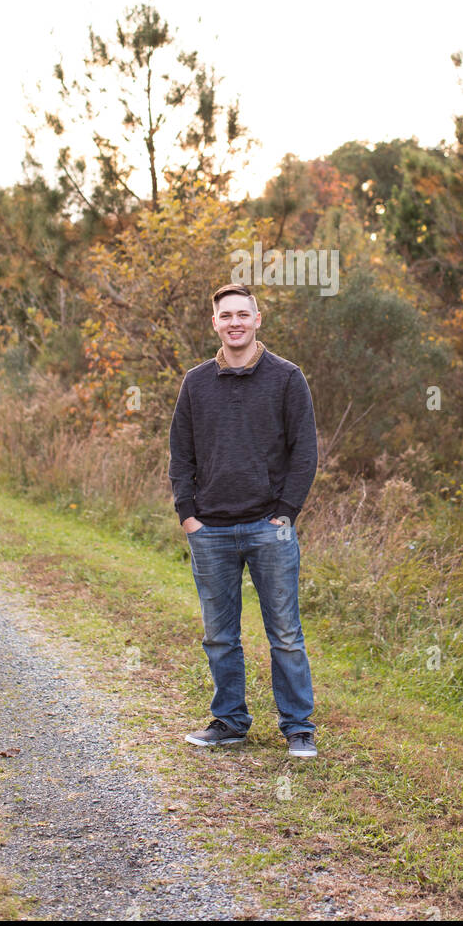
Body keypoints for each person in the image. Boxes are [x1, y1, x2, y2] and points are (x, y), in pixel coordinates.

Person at [168, 283, 318, 758]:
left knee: (286, 634)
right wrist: (188, 515)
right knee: (219, 635)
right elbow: (180, 454)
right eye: (225, 315)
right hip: (209, 529)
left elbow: (305, 453)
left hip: (268, 529)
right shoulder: (195, 382)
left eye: (242, 314)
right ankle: (230, 721)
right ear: (214, 323)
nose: (234, 322)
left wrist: (285, 514)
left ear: (258, 320)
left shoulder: (287, 378)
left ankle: (297, 728)